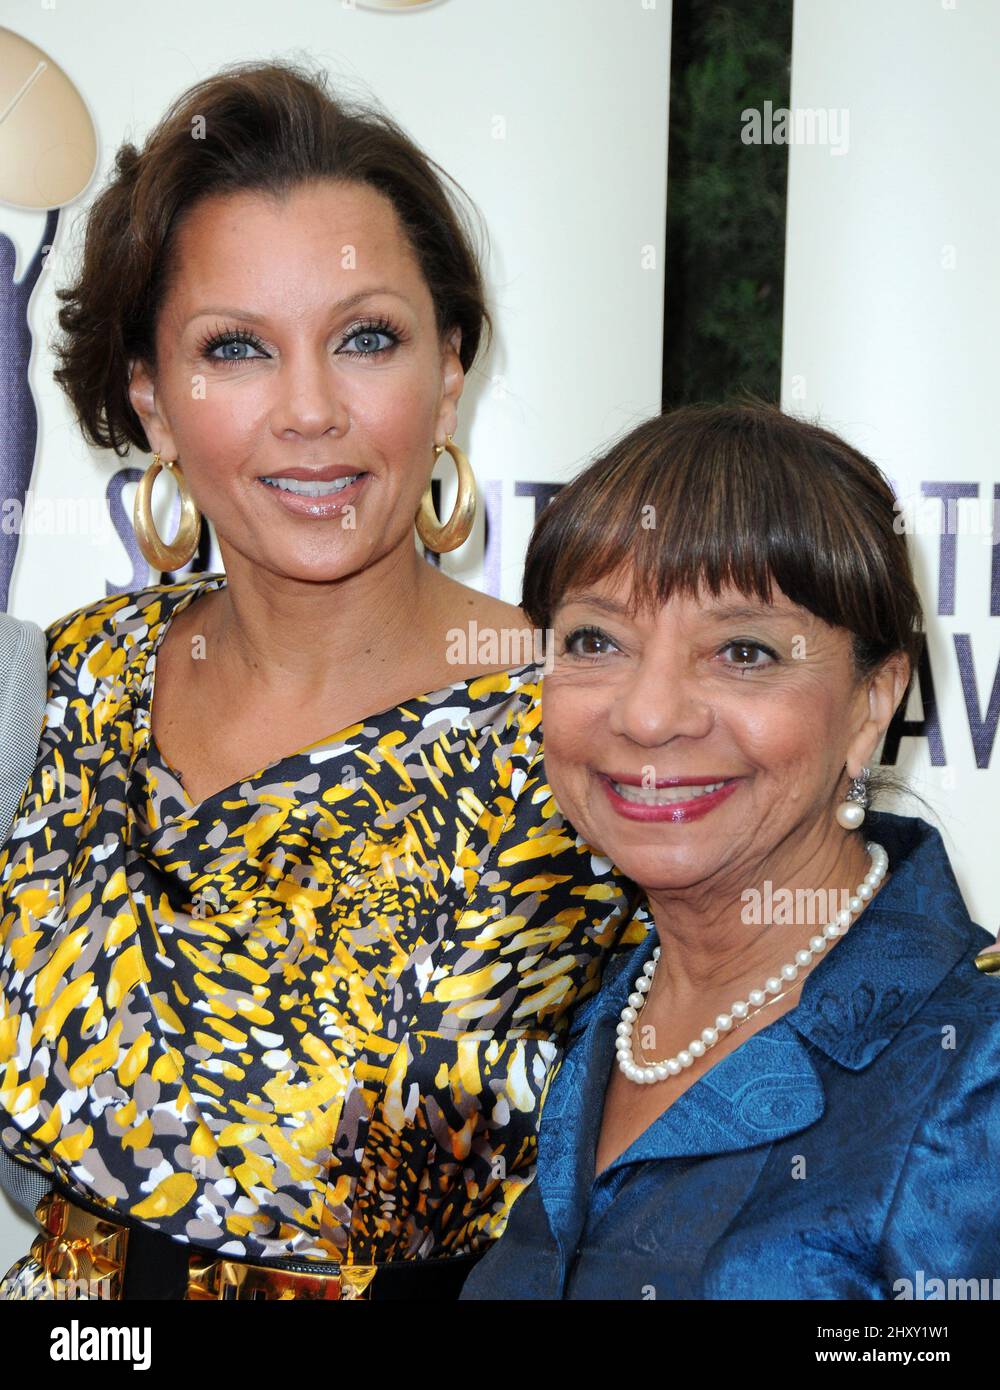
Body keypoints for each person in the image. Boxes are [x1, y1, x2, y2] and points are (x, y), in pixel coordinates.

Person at [0, 60, 647, 1302]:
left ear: (449, 368)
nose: (311, 411)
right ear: (152, 397)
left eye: (365, 339)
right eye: (235, 348)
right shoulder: (65, 685)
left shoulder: (577, 731)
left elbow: (438, 1178)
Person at [461, 402, 1000, 1300]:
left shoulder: (972, 1071)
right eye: (596, 641)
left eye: (743, 652)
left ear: (874, 701)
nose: (649, 714)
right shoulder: (563, 1004)